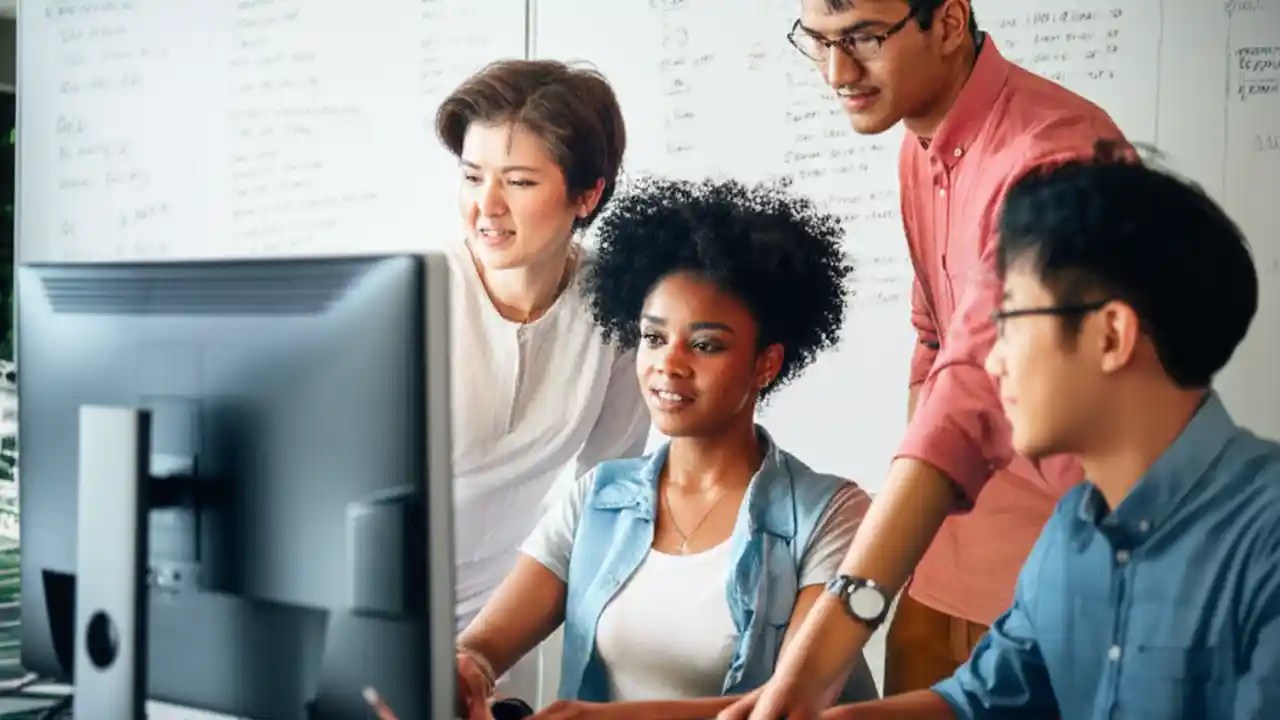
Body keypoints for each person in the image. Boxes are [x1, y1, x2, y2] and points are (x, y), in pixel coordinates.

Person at [721, 2, 1130, 715]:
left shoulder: (1051, 156)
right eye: (817, 42)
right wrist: (910, 546)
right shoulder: (922, 144)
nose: (837, 71)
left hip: (1063, 582)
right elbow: (935, 338)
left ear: (946, 22)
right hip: (941, 564)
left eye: (863, 39)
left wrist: (820, 650)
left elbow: (971, 388)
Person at [817, 150, 1280, 718]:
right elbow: (978, 702)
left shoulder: (1266, 536)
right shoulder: (1073, 531)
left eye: (1008, 324)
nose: (992, 364)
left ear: (1111, 336)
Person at [452, 177, 880, 720]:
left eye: (704, 345)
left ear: (765, 364)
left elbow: (791, 706)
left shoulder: (830, 513)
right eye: (654, 338)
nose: (668, 365)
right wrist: (464, 669)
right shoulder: (596, 500)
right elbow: (485, 648)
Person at [434, 59, 655, 638]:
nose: (488, 205)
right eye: (472, 176)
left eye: (519, 181)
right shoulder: (419, 294)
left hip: (502, 623)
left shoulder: (616, 311)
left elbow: (608, 487)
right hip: (374, 614)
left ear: (586, 195)